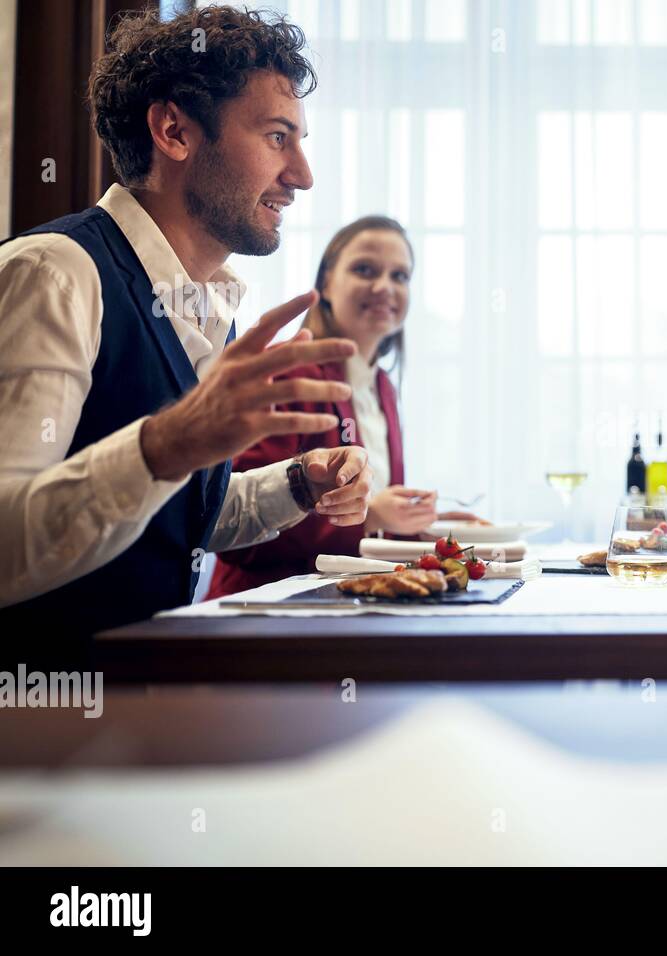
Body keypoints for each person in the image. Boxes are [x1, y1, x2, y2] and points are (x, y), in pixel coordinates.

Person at [0, 6, 373, 665]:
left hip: (140, 701)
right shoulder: (56, 275)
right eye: (277, 137)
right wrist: (166, 443)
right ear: (173, 131)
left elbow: (174, 512)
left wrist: (298, 482)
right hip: (37, 713)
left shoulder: (210, 308)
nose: (302, 175)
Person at [208, 217, 481, 597]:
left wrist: (420, 526)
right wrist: (370, 517)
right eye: (365, 269)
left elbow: (371, 523)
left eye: (400, 276)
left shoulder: (383, 388)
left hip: (349, 607)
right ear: (326, 283)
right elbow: (229, 527)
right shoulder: (287, 373)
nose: (384, 287)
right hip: (268, 609)